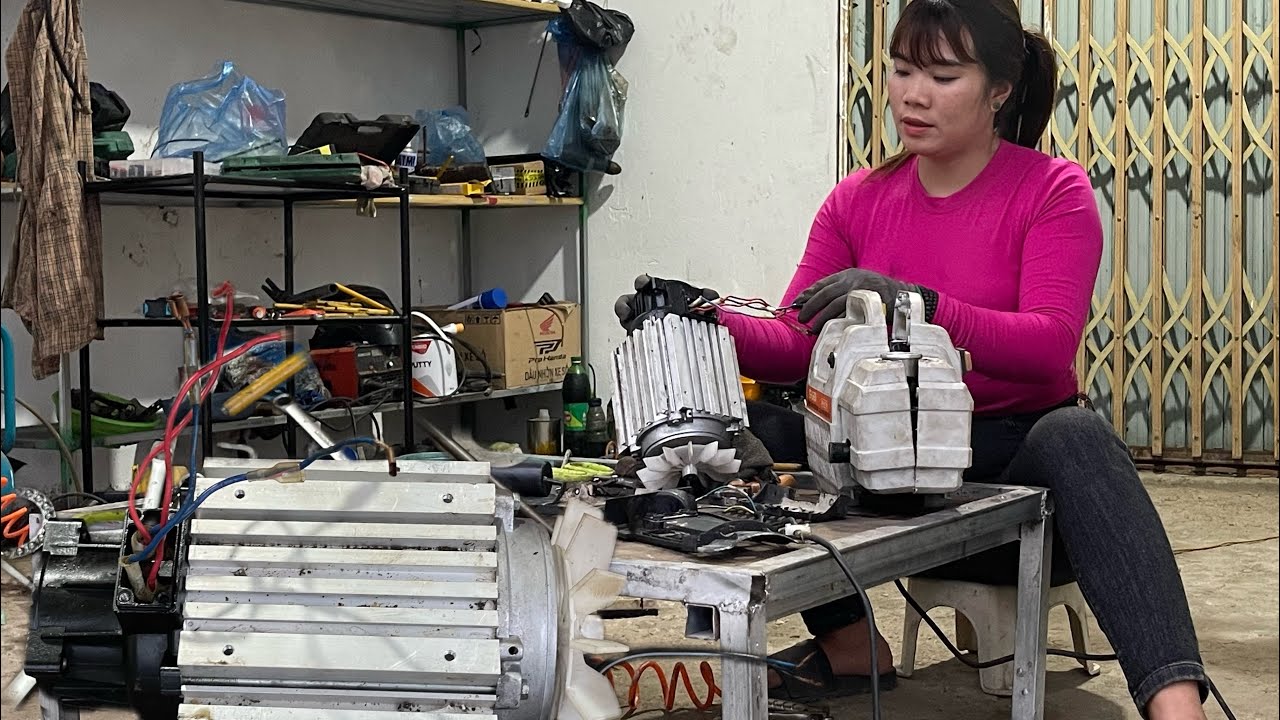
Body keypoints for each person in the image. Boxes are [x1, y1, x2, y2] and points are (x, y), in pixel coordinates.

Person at [614, 0, 1210, 717]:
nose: (912, 94)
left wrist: (917, 303)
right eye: (901, 70)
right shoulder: (856, 201)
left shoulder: (1051, 190)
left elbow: (1049, 344)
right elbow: (799, 344)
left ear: (999, 89)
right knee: (741, 429)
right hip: (880, 478)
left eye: (943, 75)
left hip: (1012, 475)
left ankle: (1177, 707)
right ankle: (848, 643)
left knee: (1077, 435)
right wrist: (702, 318)